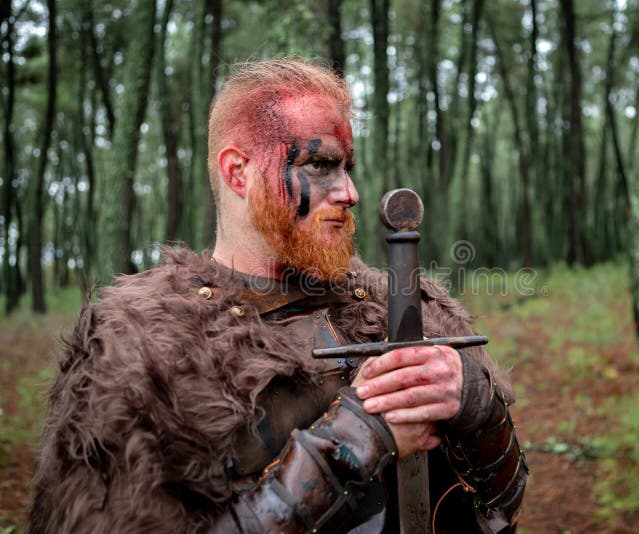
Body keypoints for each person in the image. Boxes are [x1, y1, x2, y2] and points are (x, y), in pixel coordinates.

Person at [28, 58, 527, 533]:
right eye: (320, 165)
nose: (350, 192)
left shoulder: (399, 307)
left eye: (347, 167)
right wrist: (354, 442)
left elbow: (501, 507)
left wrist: (477, 403)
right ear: (237, 172)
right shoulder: (140, 345)